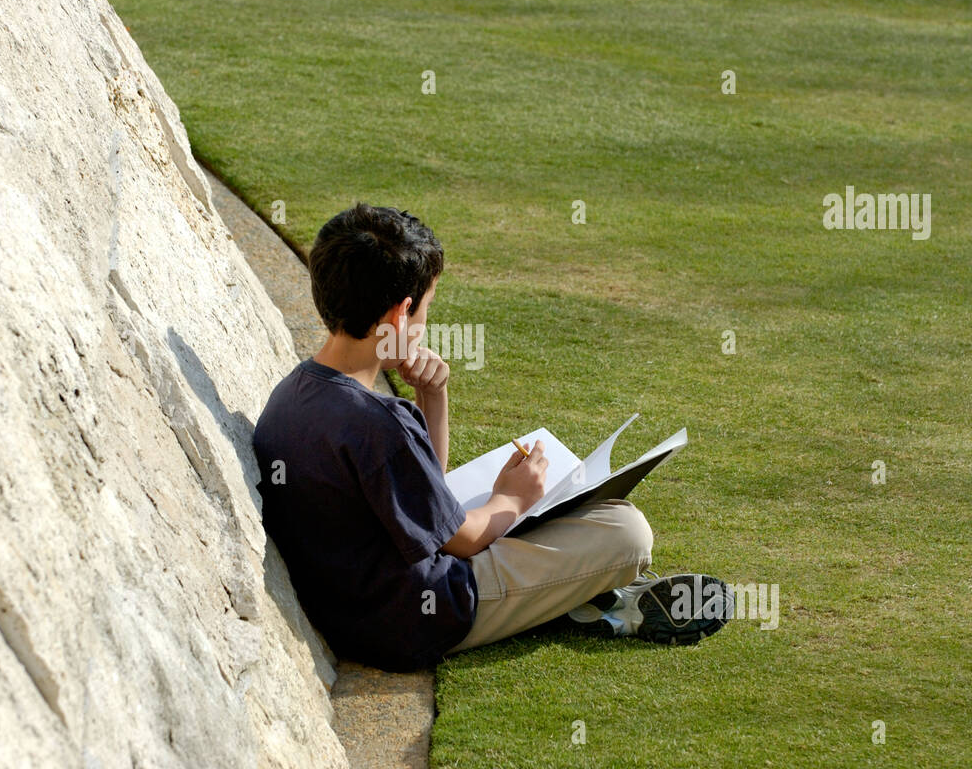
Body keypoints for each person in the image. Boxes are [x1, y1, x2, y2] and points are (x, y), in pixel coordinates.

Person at [252, 202, 729, 673]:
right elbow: (460, 540)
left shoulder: (294, 391)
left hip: (367, 607)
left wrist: (432, 397)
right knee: (625, 532)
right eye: (425, 312)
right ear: (401, 315)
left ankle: (577, 596)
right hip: (422, 614)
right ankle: (597, 603)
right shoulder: (378, 423)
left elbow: (427, 497)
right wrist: (512, 499)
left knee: (557, 519)